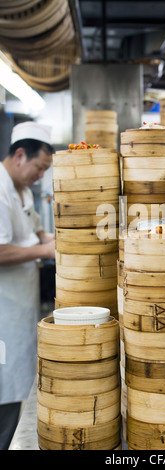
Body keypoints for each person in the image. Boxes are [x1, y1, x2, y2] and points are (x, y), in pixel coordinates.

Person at [0, 122, 56, 450]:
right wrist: (47, 250)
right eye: (39, 168)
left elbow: (37, 234)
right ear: (20, 155)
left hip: (18, 312)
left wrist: (65, 239)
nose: (40, 176)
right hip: (2, 315)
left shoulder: (21, 190)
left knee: (13, 397)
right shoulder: (0, 189)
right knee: (3, 398)